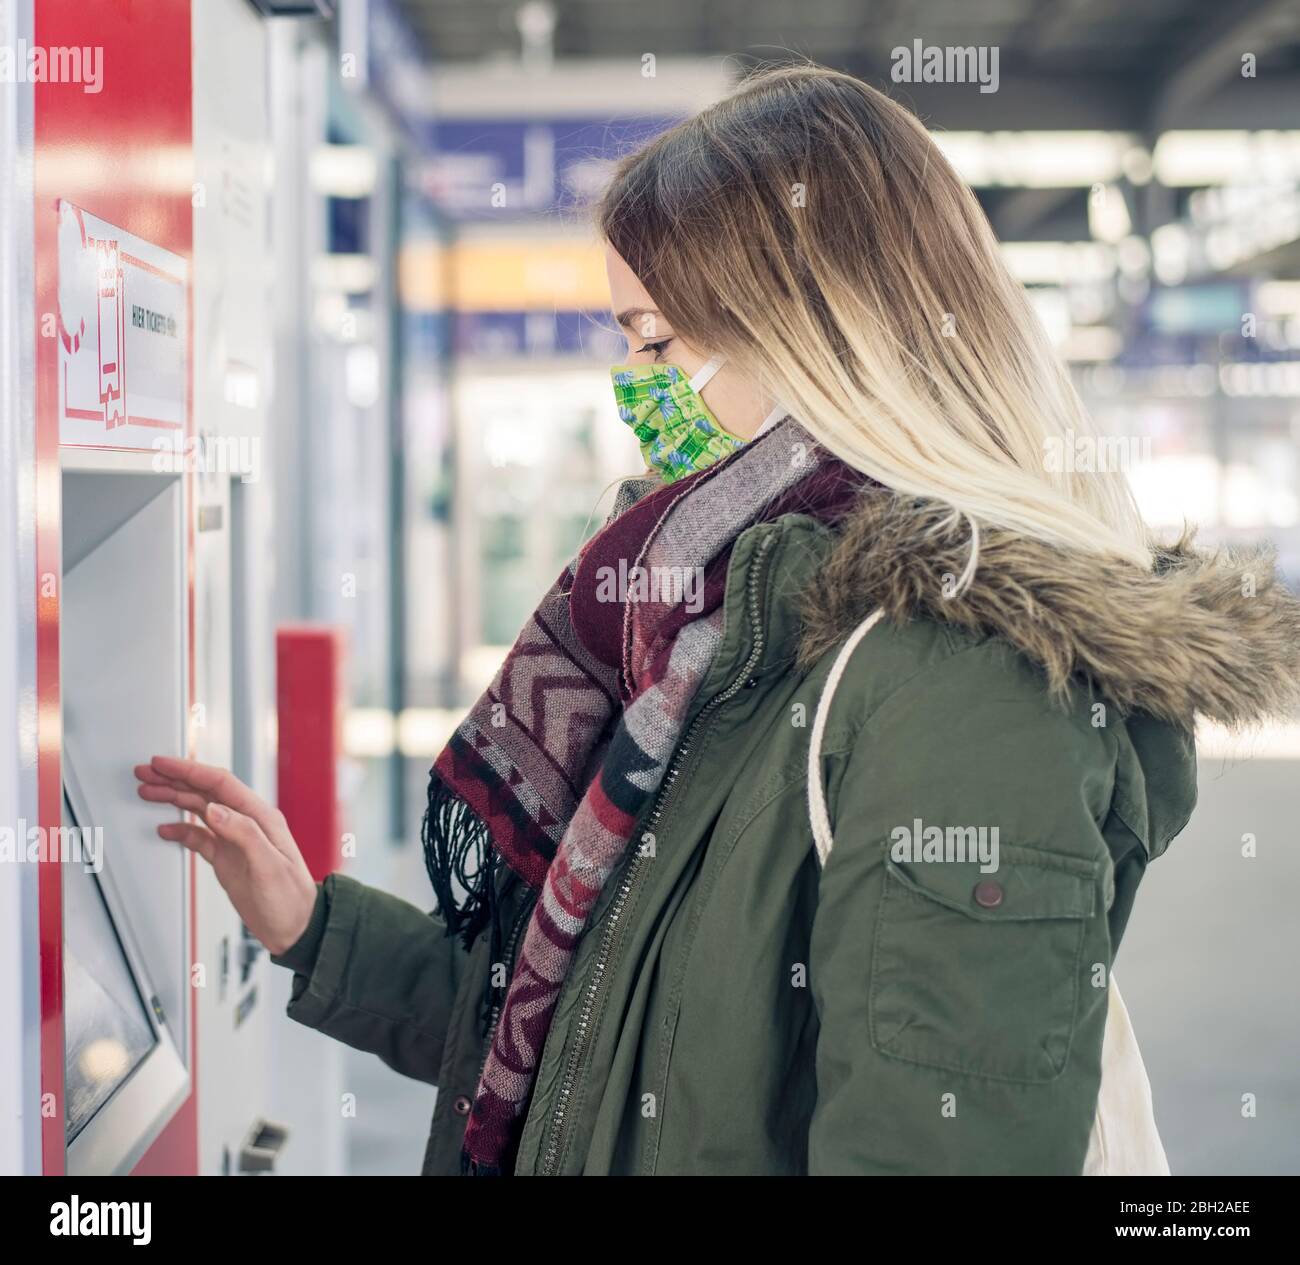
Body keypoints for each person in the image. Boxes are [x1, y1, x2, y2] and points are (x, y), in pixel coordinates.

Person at [136, 63, 1300, 1176]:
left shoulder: (959, 680)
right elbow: (591, 1040)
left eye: (655, 340)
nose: (634, 384)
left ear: (815, 331)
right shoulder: (711, 634)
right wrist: (315, 927)